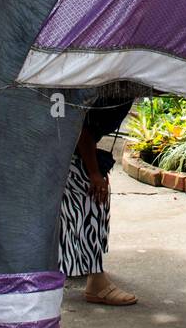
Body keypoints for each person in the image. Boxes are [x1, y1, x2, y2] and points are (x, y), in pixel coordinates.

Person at [59, 103, 138, 305]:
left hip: (61, 146)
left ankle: (82, 266)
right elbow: (81, 130)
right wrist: (94, 173)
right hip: (62, 148)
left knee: (92, 192)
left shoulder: (118, 94)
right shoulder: (112, 93)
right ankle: (96, 281)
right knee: (92, 196)